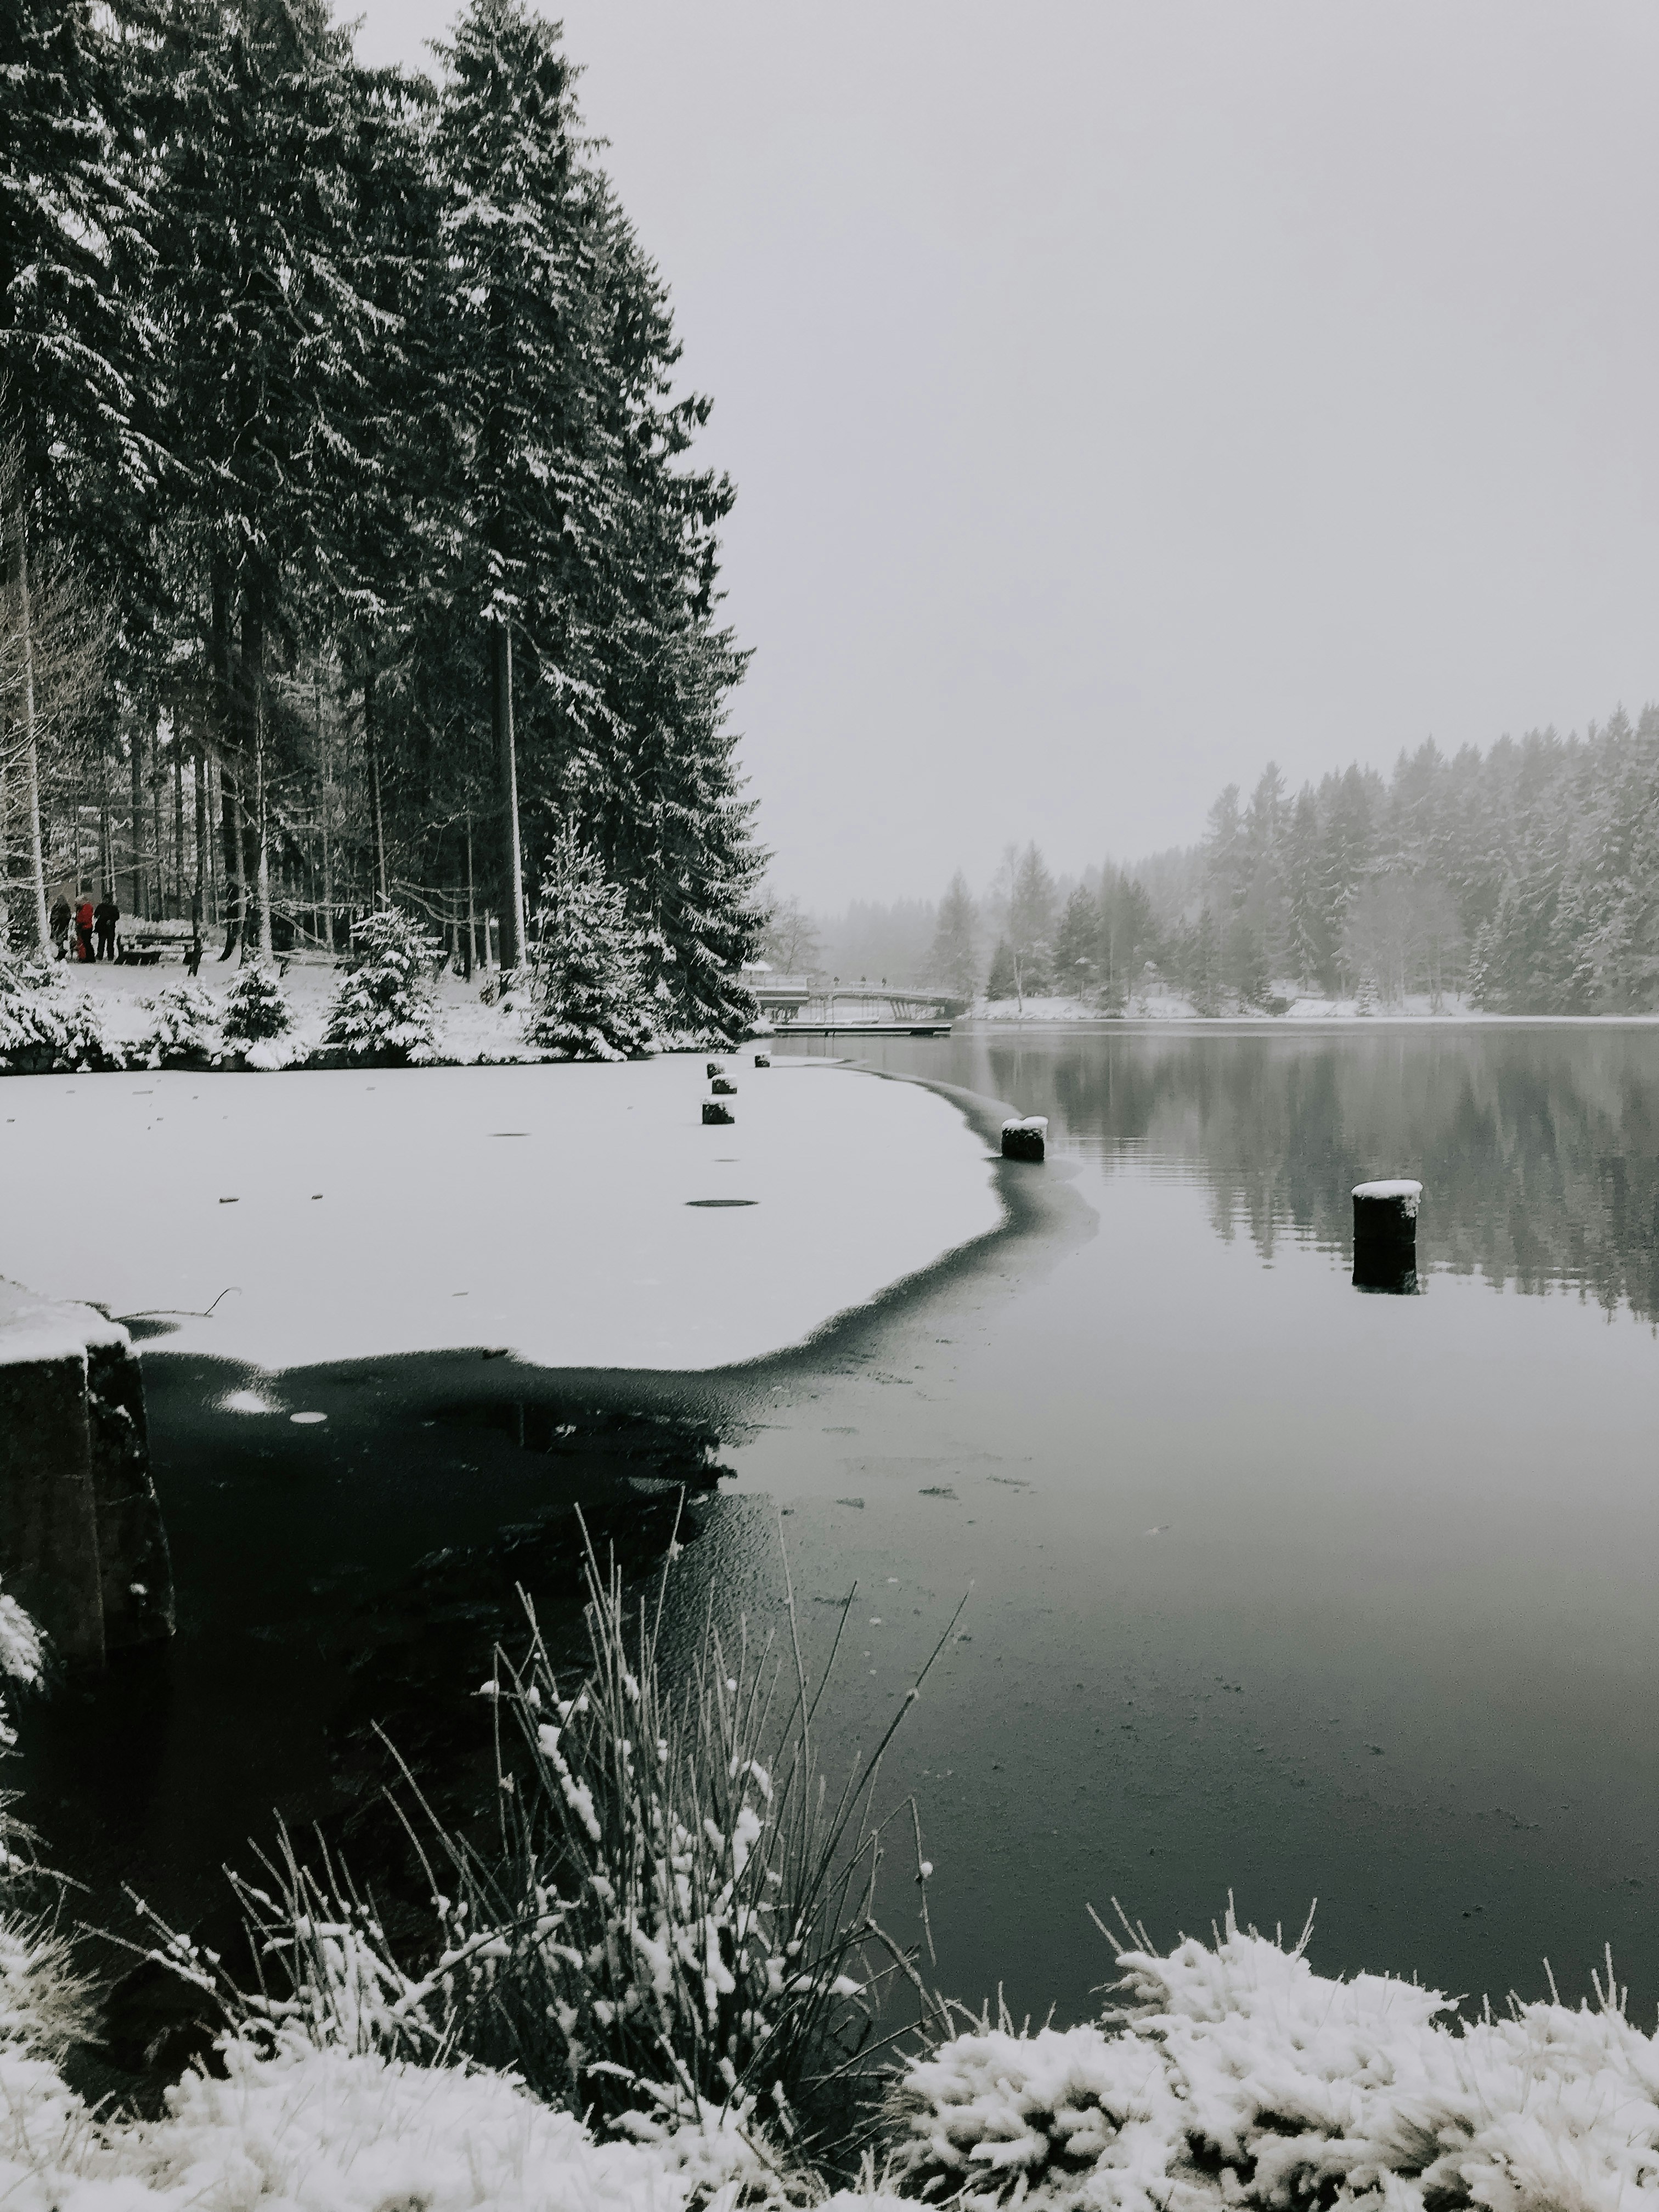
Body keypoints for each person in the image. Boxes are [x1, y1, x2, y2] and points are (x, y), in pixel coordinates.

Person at [94, 891, 120, 961]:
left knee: (110, 943)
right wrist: (98, 917)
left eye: (106, 899)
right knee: (101, 942)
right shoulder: (100, 907)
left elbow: (117, 916)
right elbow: (96, 914)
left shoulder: (113, 908)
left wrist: (111, 920)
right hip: (102, 927)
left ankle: (110, 956)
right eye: (104, 899)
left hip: (110, 927)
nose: (105, 900)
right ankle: (100, 955)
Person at [49, 895, 71, 961]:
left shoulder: (63, 907)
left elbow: (67, 917)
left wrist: (57, 919)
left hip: (61, 926)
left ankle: (61, 952)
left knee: (60, 940)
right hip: (58, 926)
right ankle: (60, 952)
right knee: (58, 940)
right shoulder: (57, 907)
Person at [74, 893, 94, 963]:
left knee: (86, 943)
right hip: (85, 926)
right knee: (86, 943)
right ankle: (88, 956)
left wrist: (79, 922)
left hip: (86, 927)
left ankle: (89, 957)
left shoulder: (86, 908)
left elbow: (86, 918)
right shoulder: (83, 908)